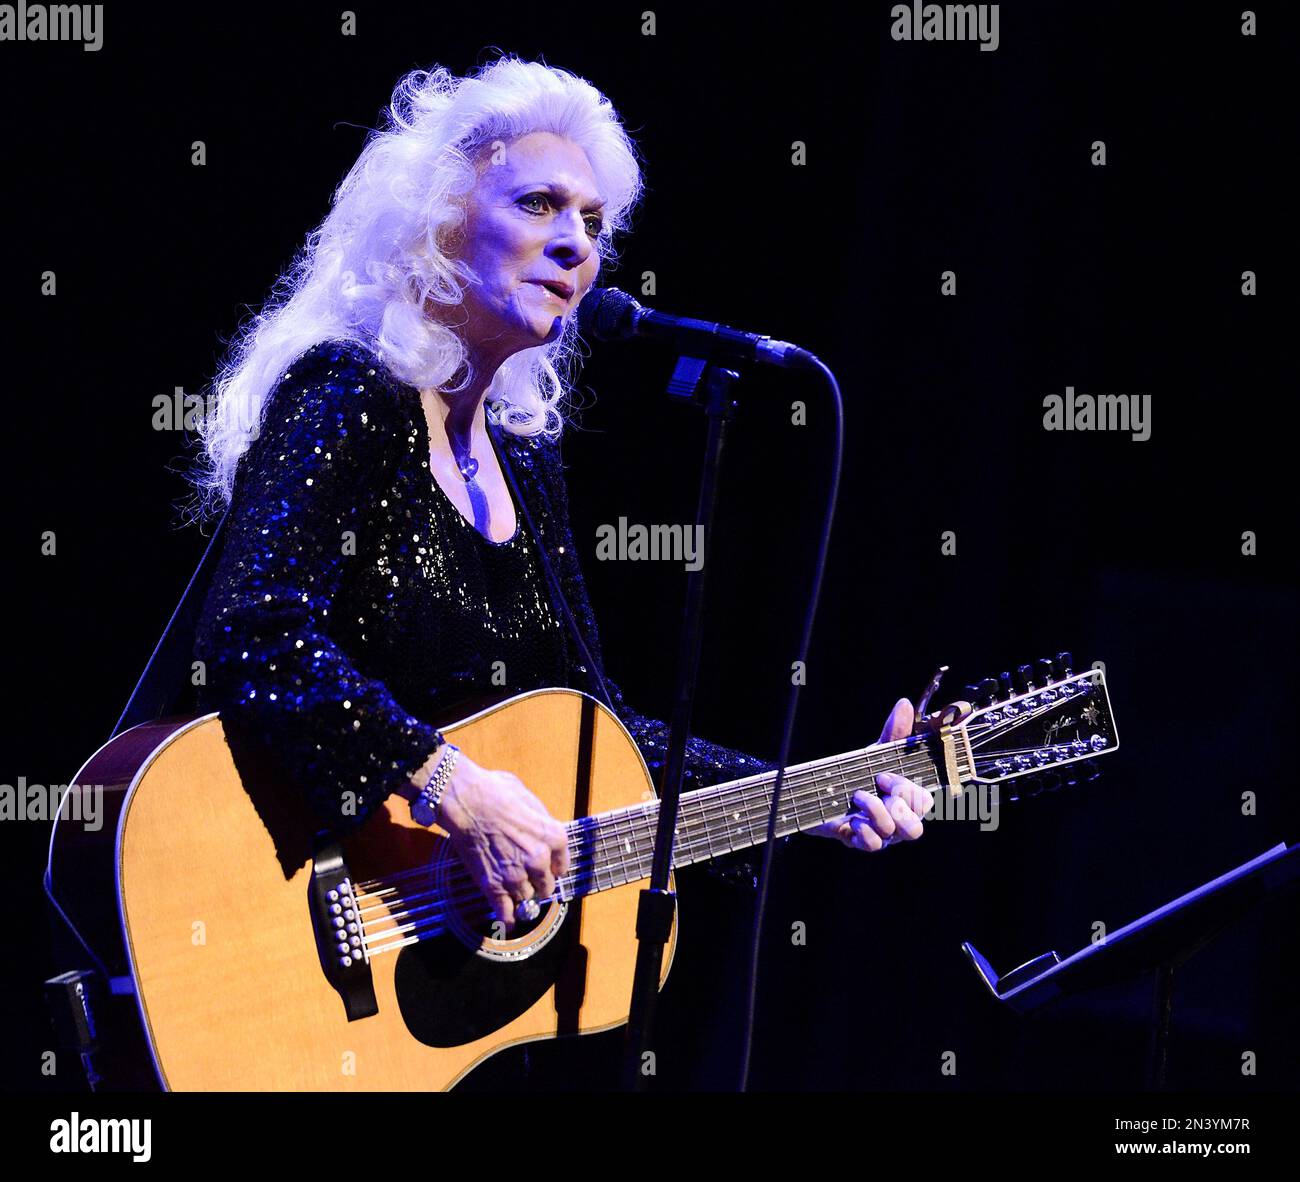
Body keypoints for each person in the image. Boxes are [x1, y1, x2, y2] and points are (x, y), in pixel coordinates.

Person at [191, 56, 935, 954]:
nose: (578, 244)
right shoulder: (352, 394)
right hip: (271, 921)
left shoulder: (525, 467)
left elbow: (601, 733)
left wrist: (820, 797)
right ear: (438, 219)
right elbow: (254, 631)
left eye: (593, 222)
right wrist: (453, 788)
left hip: (445, 987)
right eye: (538, 204)